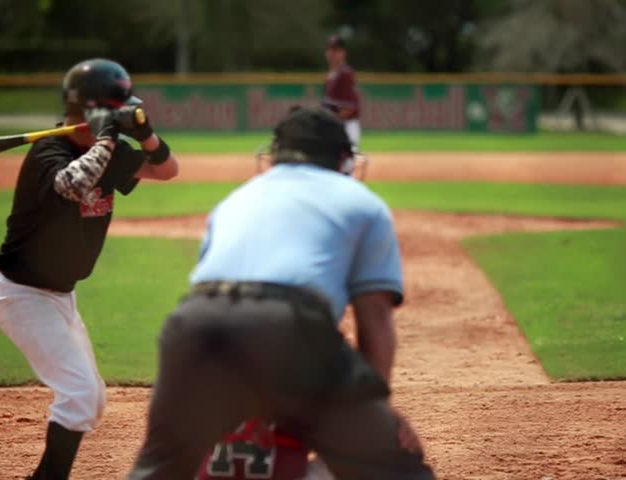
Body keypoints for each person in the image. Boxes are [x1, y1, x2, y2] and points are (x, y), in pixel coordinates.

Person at [128, 106, 433, 480]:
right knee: (395, 468)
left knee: (160, 468)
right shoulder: (362, 203)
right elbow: (376, 320)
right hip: (286, 325)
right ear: (343, 159)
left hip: (191, 325)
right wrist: (379, 410)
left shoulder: (235, 200)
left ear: (275, 154)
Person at [0, 58, 178, 480]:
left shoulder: (107, 151)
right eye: (117, 109)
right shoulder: (48, 152)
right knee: (80, 395)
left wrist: (144, 136)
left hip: (60, 296)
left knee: (90, 401)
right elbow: (72, 185)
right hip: (21, 294)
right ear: (94, 109)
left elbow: (167, 170)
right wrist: (107, 137)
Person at [323, 34, 362, 149]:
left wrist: (327, 120)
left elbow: (349, 108)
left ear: (343, 53)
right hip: (335, 126)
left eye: (336, 50)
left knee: (344, 165)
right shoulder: (330, 75)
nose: (332, 53)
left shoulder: (345, 74)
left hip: (346, 127)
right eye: (329, 49)